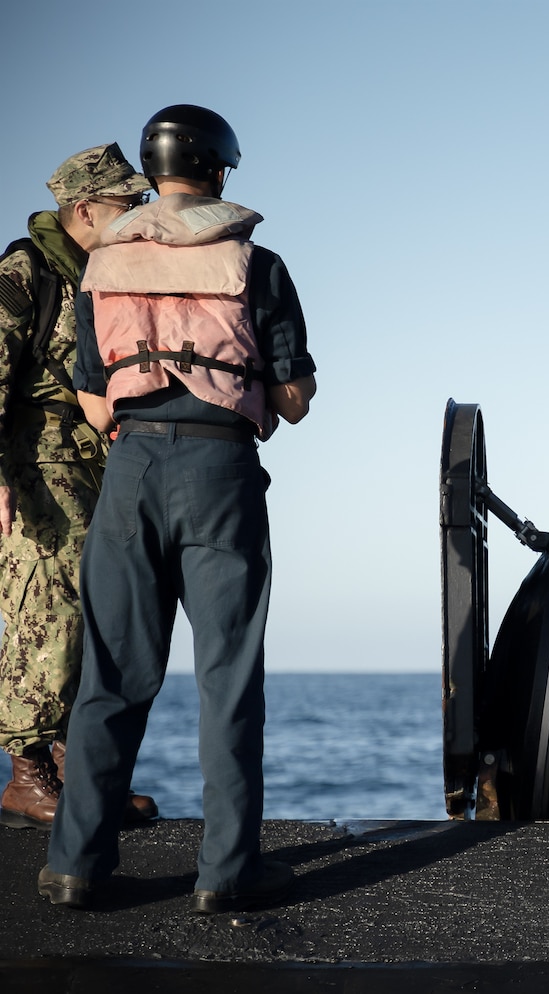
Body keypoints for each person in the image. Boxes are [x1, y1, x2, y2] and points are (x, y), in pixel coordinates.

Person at [37, 105, 318, 911]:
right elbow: (292, 400)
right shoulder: (256, 263)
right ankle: (226, 874)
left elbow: (95, 408)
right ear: (220, 169)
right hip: (220, 471)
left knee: (111, 677)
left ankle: (74, 867)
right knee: (227, 678)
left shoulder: (102, 268)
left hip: (130, 473)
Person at [1, 144, 159, 830]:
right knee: (52, 611)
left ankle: (82, 775)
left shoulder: (109, 273)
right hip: (35, 463)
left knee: (107, 615)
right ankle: (27, 776)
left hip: (101, 459)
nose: (138, 215)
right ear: (85, 209)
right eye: (127, 204)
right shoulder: (26, 272)